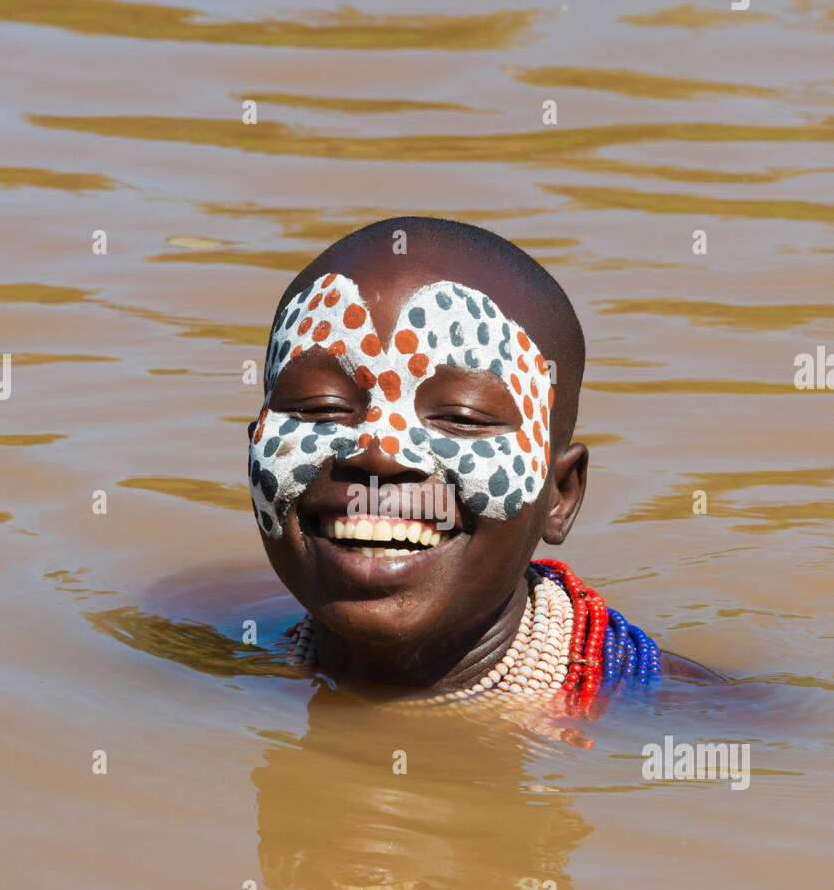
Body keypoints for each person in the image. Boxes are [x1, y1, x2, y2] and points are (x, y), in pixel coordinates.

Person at [247, 216, 719, 713]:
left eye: (460, 419)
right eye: (320, 407)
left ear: (560, 495)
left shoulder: (683, 717)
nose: (379, 453)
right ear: (255, 446)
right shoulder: (218, 667)